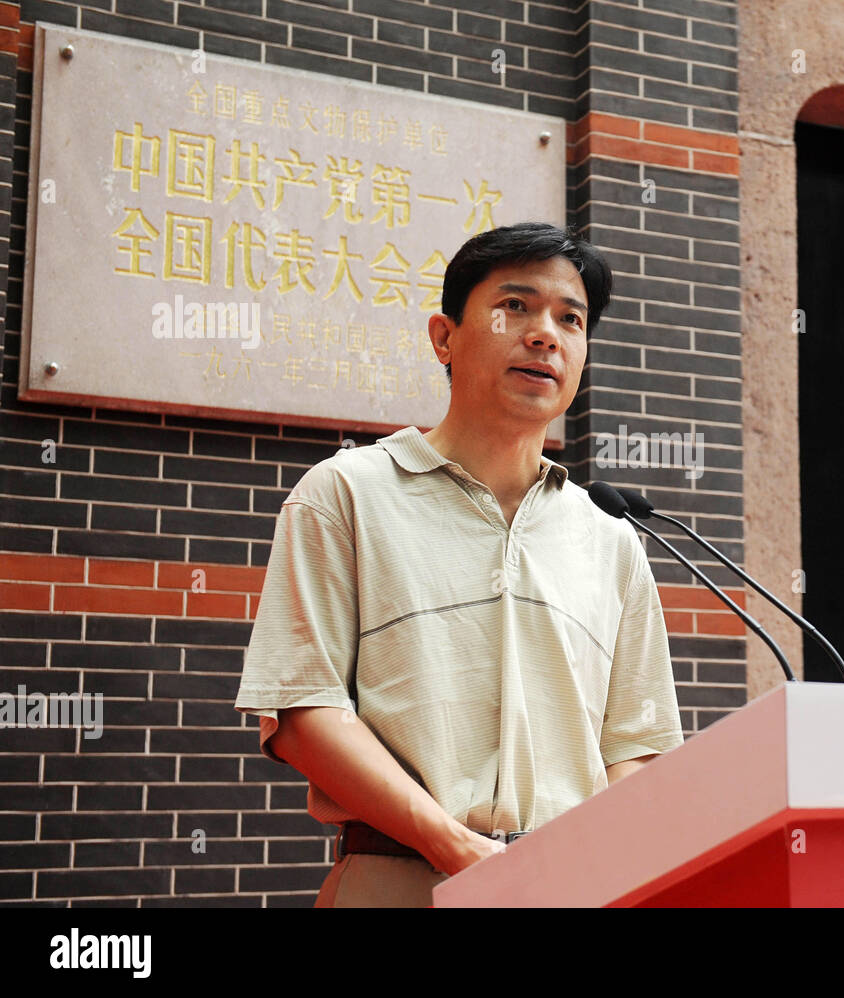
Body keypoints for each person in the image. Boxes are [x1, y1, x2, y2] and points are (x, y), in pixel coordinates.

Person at [233, 221, 684, 907]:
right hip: (399, 881)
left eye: (571, 319)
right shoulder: (347, 494)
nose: (546, 334)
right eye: (517, 307)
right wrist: (459, 849)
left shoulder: (611, 536)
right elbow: (303, 711)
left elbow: (637, 746)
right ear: (444, 337)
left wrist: (593, 865)